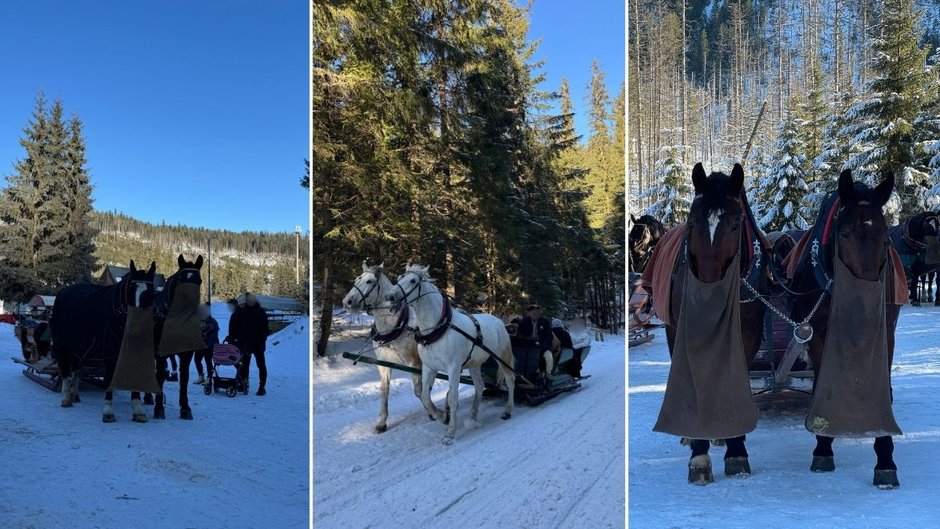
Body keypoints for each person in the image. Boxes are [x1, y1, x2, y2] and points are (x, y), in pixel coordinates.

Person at [231, 293, 269, 396]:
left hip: (258, 343)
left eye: (252, 299)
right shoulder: (241, 312)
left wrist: (262, 339)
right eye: (248, 300)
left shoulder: (261, 312)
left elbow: (265, 328)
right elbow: (236, 327)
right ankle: (244, 383)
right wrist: (236, 338)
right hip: (245, 344)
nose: (250, 301)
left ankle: (262, 387)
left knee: (261, 365)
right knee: (244, 365)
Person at [516, 304, 554, 387]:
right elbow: (520, 333)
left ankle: (548, 379)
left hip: (543, 346)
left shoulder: (545, 322)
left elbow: (549, 336)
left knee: (549, 357)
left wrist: (543, 347)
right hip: (528, 347)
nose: (534, 314)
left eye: (536, 312)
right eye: (532, 312)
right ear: (529, 313)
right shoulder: (524, 321)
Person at [193, 303, 219, 385]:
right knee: (197, 360)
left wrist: (207, 343)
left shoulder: (213, 322)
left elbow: (214, 336)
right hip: (200, 345)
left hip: (209, 346)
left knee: (208, 361)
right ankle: (201, 376)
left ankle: (209, 378)